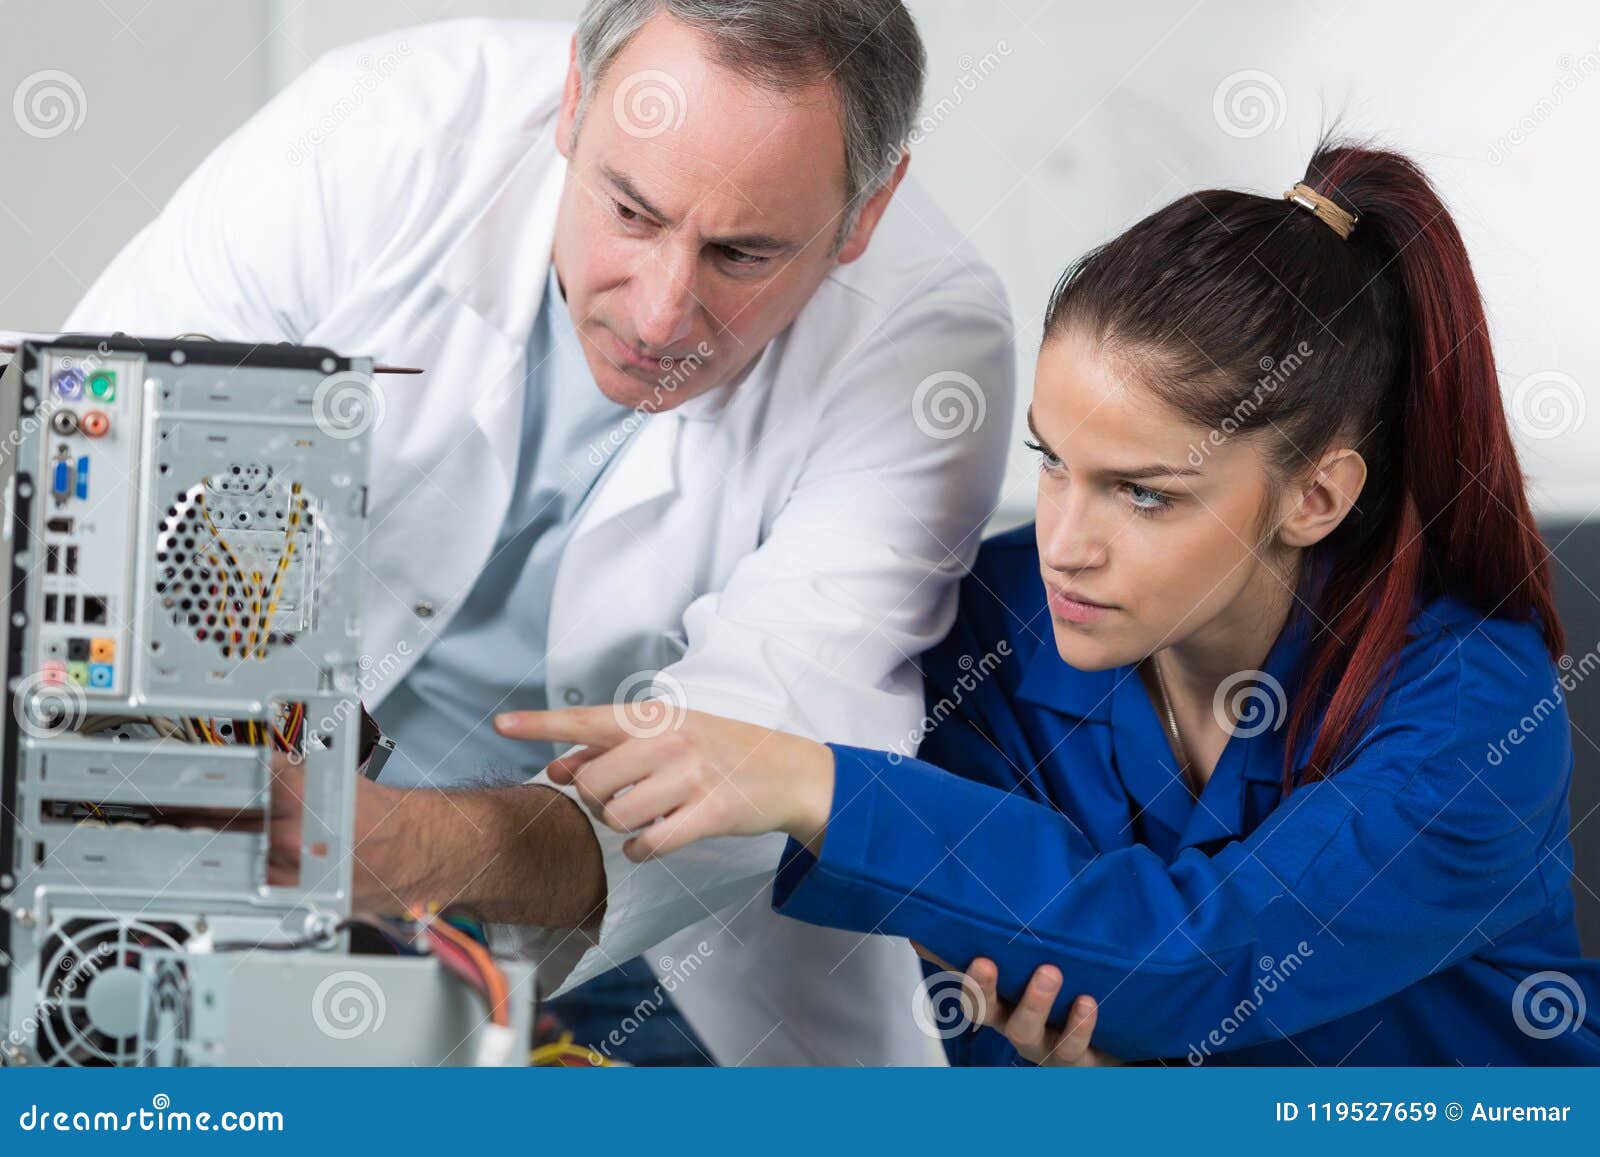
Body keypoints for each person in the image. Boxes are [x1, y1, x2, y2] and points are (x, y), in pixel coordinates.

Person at [499, 140, 1600, 1065]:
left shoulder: (1474, 714)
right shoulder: (995, 620)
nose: (1065, 542)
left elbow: (1193, 963)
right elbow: (995, 1007)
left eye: (1141, 492)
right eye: (1053, 461)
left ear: (1314, 494)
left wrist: (808, 778)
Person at [62, 2, 1014, 1065]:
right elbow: (106, 459)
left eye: (741, 254)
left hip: (658, 955)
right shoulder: (382, 128)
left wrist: (409, 846)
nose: (660, 315)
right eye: (630, 211)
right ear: (573, 101)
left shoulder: (924, 341)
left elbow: (769, 742)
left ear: (864, 213)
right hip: (225, 866)